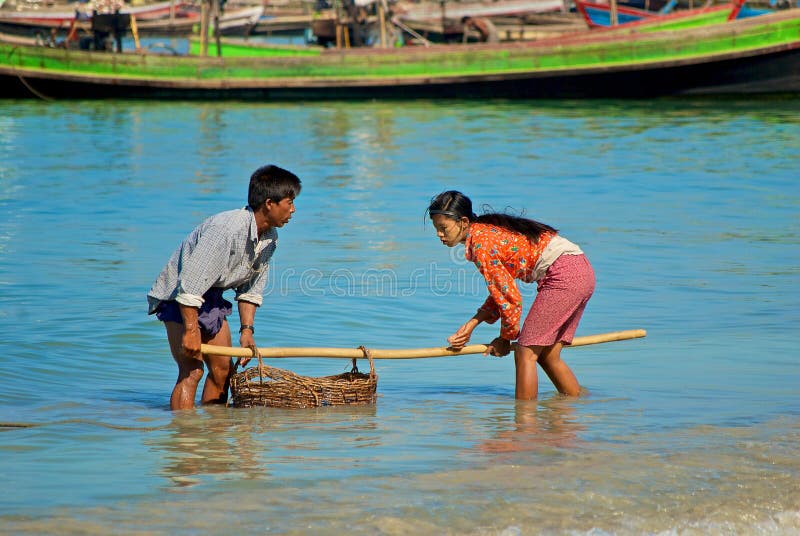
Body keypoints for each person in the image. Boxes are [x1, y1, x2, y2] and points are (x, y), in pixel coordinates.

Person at [148, 165, 301, 410]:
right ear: (270, 203)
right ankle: (185, 439)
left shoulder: (270, 237)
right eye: (289, 202)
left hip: (211, 296)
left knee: (223, 372)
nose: (293, 209)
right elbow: (189, 286)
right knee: (192, 370)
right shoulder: (226, 229)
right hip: (180, 297)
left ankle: (214, 437)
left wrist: (247, 331)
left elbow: (250, 290)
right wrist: (191, 329)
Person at [427, 191, 595, 400]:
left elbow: (510, 300)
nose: (439, 235)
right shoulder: (484, 233)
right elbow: (500, 292)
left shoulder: (481, 243)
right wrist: (472, 324)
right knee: (548, 355)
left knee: (525, 352)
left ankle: (524, 426)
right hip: (580, 270)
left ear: (463, 222)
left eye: (443, 228)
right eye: (436, 230)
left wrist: (505, 338)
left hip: (564, 276)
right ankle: (574, 410)